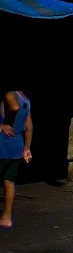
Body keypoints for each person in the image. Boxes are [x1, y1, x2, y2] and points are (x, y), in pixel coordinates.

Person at [0, 90, 32, 228]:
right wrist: (26, 148)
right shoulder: (24, 97)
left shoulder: (9, 94)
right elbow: (29, 127)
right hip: (16, 146)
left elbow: (14, 107)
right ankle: (6, 218)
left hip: (3, 145)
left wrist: (3, 123)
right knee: (9, 181)